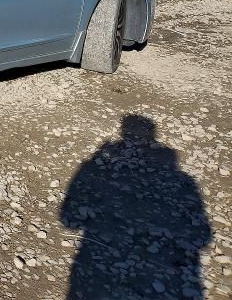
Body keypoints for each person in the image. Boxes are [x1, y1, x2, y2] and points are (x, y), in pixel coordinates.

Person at [60, 115, 211, 299]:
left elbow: (69, 220)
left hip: (94, 259)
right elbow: (203, 236)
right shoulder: (185, 180)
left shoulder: (183, 179)